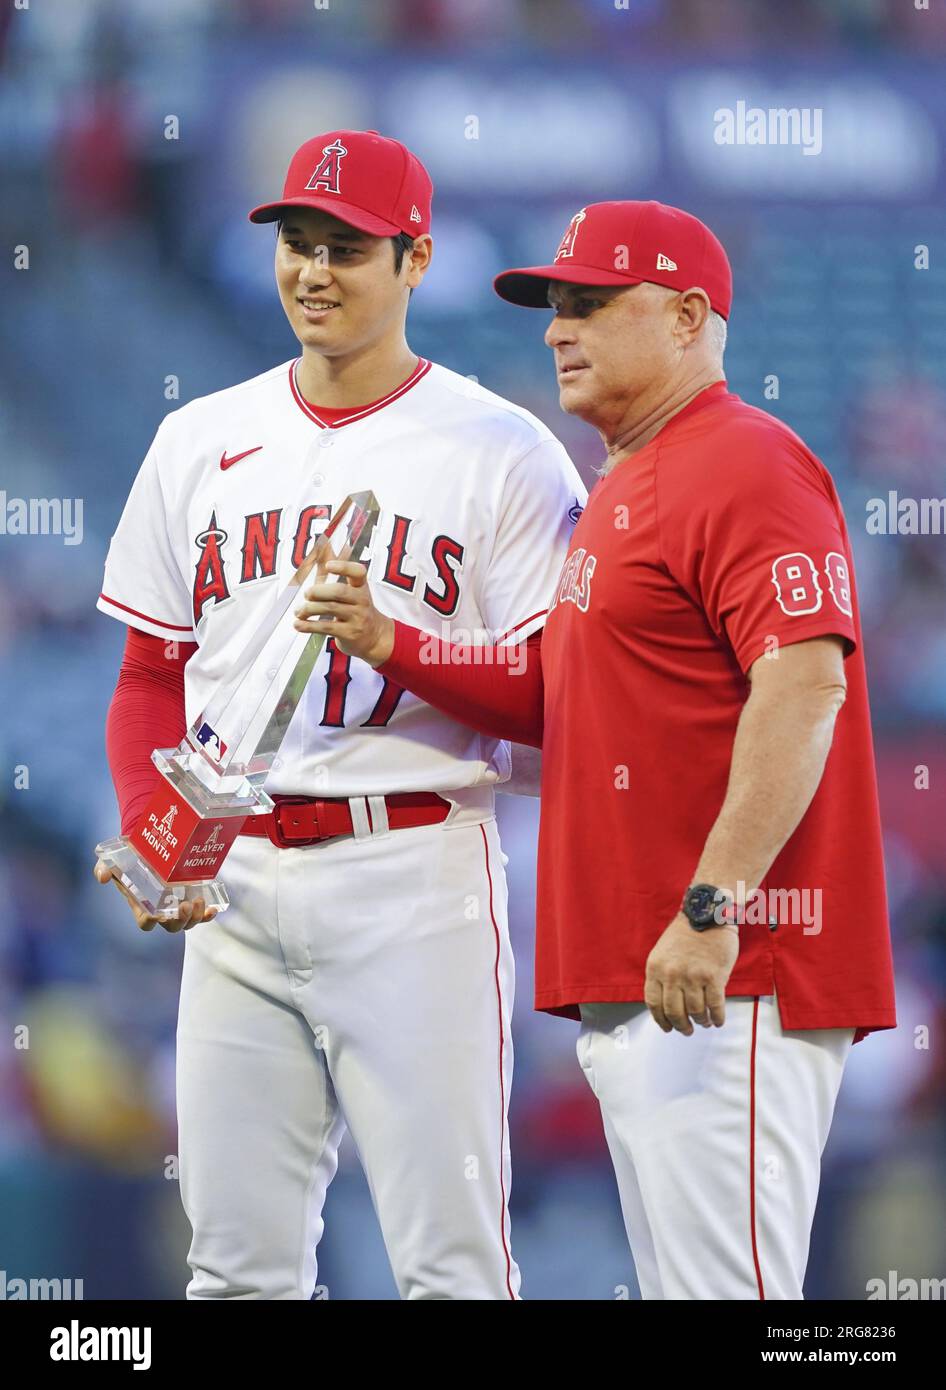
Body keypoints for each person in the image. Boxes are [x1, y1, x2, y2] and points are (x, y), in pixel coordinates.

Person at [294, 200, 898, 1300]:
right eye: (553, 306)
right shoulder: (628, 480)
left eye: (590, 303)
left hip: (731, 973)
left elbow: (806, 680)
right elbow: (560, 698)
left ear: (686, 317)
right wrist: (396, 642)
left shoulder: (745, 461)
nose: (556, 329)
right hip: (655, 973)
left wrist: (713, 909)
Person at [93, 130, 586, 1300]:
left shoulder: (503, 452)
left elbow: (556, 703)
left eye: (348, 249)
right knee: (234, 1268)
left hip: (410, 867)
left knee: (450, 1266)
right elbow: (147, 674)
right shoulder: (196, 437)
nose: (313, 270)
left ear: (416, 258)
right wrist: (149, 819)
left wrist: (395, 643)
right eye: (297, 244)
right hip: (236, 882)